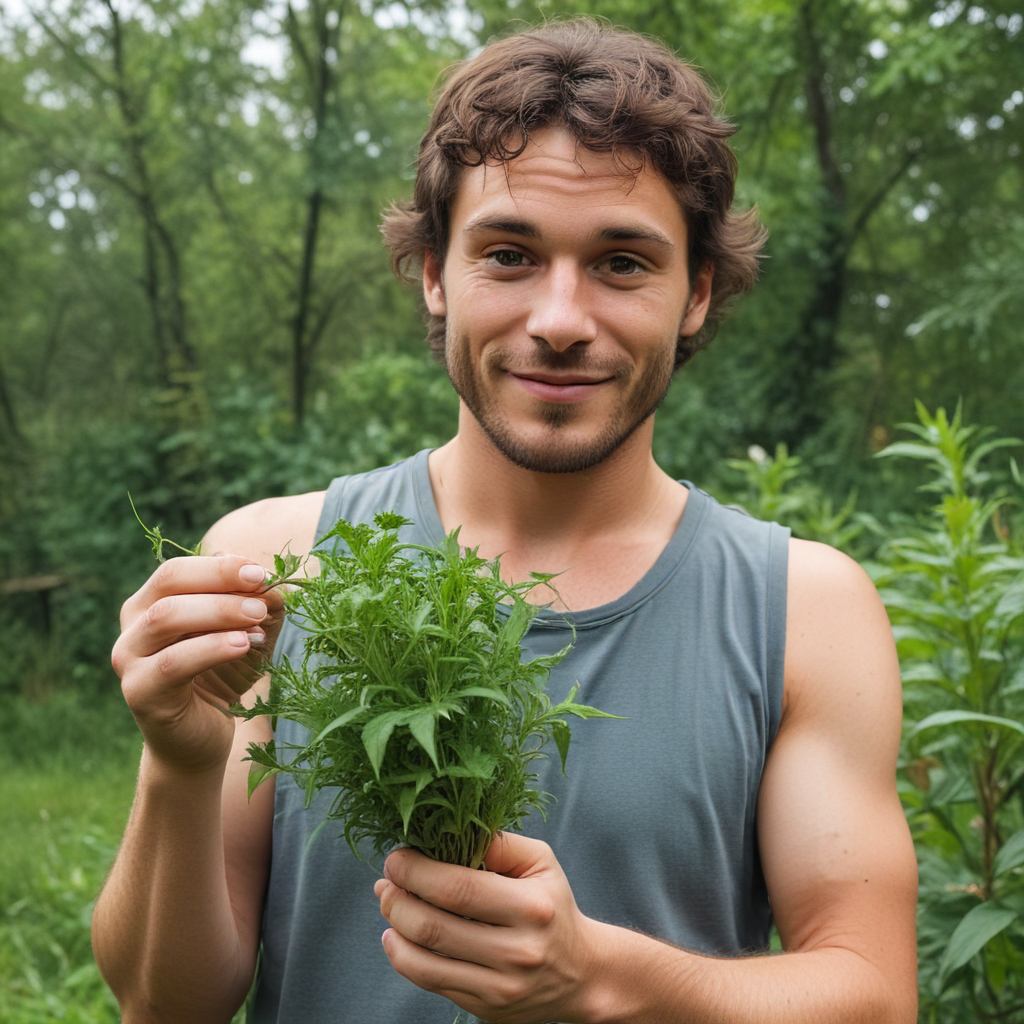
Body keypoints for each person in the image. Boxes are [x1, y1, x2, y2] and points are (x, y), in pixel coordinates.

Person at [93, 18, 918, 1024]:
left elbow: (873, 994)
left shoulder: (802, 608)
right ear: (436, 272)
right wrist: (177, 763)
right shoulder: (275, 564)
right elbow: (161, 1002)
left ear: (695, 293)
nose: (561, 319)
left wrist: (609, 980)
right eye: (511, 253)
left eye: (622, 263)